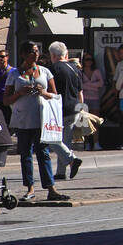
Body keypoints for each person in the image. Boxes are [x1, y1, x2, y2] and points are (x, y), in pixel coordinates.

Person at [5, 42, 65, 202]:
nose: (36, 54)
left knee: (43, 154)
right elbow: (6, 99)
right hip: (23, 120)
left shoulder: (45, 71)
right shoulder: (14, 74)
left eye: (37, 51)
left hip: (42, 120)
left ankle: (51, 188)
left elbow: (55, 95)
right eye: (32, 52)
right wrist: (19, 93)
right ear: (24, 54)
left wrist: (43, 92)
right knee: (25, 155)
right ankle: (30, 188)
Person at [44, 42, 83, 181]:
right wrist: (82, 108)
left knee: (51, 139)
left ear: (53, 55)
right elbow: (80, 92)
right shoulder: (75, 69)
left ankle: (72, 159)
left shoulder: (52, 69)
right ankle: (61, 172)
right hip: (74, 109)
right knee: (65, 142)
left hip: (59, 109)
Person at [80, 53, 104, 152]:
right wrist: (93, 85)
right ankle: (87, 143)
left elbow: (101, 83)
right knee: (84, 122)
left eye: (90, 59)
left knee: (95, 122)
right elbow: (80, 85)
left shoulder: (96, 71)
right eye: (86, 59)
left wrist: (87, 84)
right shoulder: (80, 72)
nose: (88, 61)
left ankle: (96, 143)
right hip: (84, 99)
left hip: (95, 99)